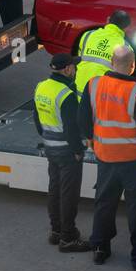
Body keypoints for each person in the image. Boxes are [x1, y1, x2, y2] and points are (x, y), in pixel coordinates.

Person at [77, 45, 136, 270]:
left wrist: (89, 139)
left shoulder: (93, 84)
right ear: (132, 66)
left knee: (104, 203)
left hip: (105, 156)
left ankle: (99, 248)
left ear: (111, 63)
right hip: (134, 159)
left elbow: (83, 117)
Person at [34, 53, 91, 253]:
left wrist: (47, 136)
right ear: (67, 69)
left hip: (50, 148)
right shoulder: (66, 94)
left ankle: (56, 231)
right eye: (73, 68)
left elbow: (37, 120)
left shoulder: (41, 87)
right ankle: (68, 238)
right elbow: (71, 128)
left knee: (54, 190)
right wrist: (78, 150)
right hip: (67, 152)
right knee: (69, 195)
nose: (75, 71)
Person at [74, 10, 130, 94]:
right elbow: (123, 77)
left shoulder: (88, 35)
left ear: (108, 20)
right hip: (100, 98)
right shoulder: (126, 48)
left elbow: (80, 57)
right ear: (126, 28)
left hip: (78, 90)